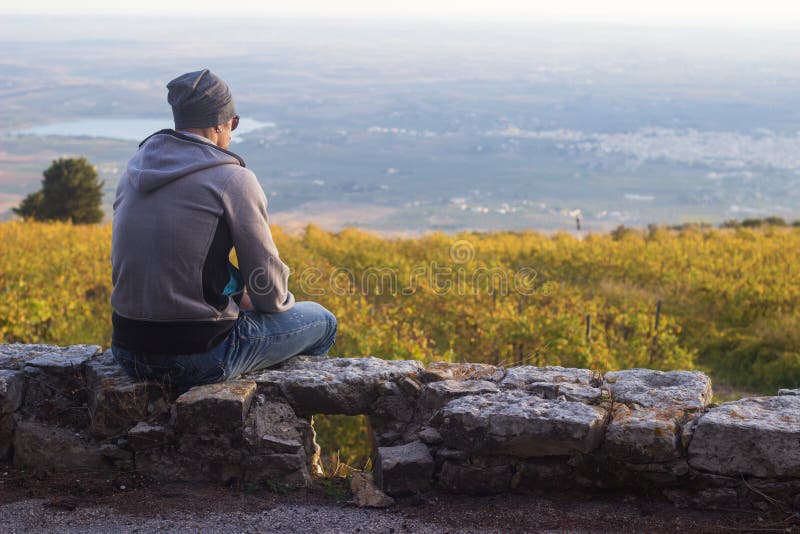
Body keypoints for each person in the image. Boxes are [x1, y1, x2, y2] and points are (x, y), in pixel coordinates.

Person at [110, 69, 337, 388]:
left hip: (127, 348)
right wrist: (269, 304)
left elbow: (169, 264)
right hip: (198, 355)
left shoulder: (132, 174)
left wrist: (234, 293)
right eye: (234, 124)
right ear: (222, 123)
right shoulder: (232, 180)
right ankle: (279, 418)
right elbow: (269, 291)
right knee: (322, 320)